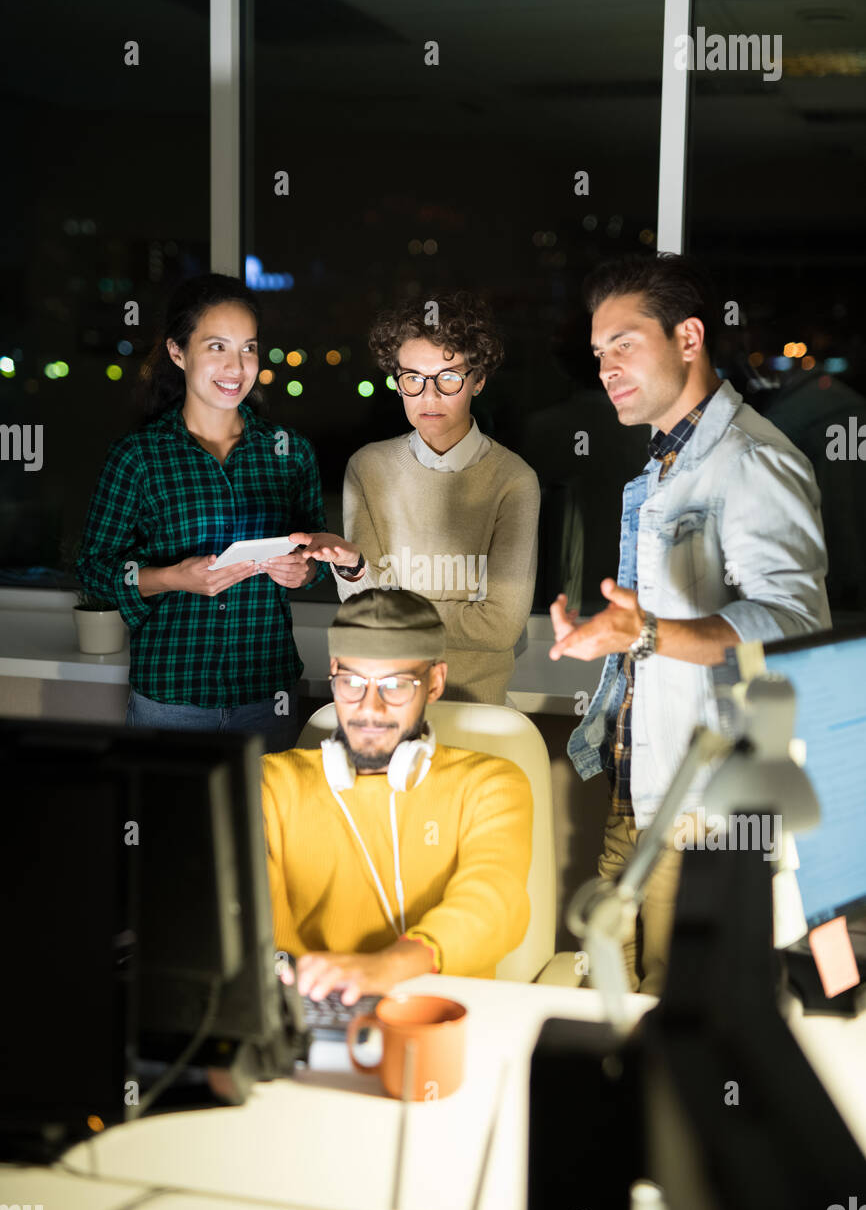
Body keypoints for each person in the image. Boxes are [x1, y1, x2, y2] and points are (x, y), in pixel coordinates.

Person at [549, 252, 831, 994]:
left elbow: (794, 624)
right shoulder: (662, 469)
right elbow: (655, 626)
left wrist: (645, 634)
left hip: (705, 809)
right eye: (599, 353)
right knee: (605, 1004)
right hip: (635, 792)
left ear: (688, 337)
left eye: (625, 344)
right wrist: (612, 636)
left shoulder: (751, 462)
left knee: (681, 1020)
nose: (607, 367)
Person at [76, 273, 329, 752]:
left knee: (267, 828)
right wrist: (171, 577)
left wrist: (303, 570)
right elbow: (93, 571)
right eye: (217, 346)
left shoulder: (290, 452)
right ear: (178, 352)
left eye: (248, 348)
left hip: (268, 693)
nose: (236, 366)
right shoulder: (138, 457)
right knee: (170, 827)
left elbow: (314, 557)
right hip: (170, 701)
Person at [262, 589, 533, 1003]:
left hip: (446, 1020)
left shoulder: (491, 783)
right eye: (352, 681)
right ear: (333, 673)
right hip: (312, 1011)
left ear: (435, 682)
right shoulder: (272, 783)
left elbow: (494, 904)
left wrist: (382, 968)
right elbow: (251, 920)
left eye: (395, 685)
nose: (370, 707)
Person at [291, 291, 540, 705]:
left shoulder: (513, 479)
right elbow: (362, 607)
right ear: (397, 381)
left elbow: (499, 627)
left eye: (448, 377)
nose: (429, 396)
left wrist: (390, 606)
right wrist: (355, 569)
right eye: (413, 379)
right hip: (383, 707)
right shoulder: (367, 467)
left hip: (476, 706)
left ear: (477, 380)